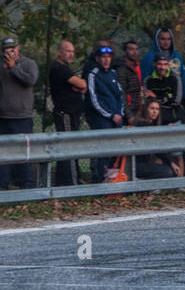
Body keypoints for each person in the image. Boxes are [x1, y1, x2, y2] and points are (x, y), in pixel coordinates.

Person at [0, 38, 40, 190]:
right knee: (2, 155)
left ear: (18, 48)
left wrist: (14, 67)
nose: (10, 52)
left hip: (22, 117)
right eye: (6, 49)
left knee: (24, 154)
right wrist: (4, 68)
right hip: (2, 118)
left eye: (12, 48)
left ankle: (26, 185)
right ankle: (1, 186)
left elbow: (31, 80)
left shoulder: (29, 63)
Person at [84, 44, 124, 183]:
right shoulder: (93, 75)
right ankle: (101, 179)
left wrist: (120, 113)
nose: (106, 60)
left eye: (108, 57)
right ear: (97, 59)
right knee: (104, 152)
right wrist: (110, 115)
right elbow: (94, 99)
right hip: (103, 120)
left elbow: (120, 95)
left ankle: (115, 179)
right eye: (103, 57)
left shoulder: (113, 74)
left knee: (116, 151)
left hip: (117, 119)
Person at [48, 39, 86, 186]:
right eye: (68, 51)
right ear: (59, 52)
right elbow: (82, 84)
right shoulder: (59, 68)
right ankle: (71, 182)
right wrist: (78, 86)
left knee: (71, 147)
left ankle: (64, 181)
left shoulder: (66, 69)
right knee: (68, 147)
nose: (71, 55)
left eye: (72, 52)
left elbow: (80, 86)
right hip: (66, 114)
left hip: (73, 113)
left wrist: (77, 86)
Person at [138, 27, 185, 116]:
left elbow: (184, 78)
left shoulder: (176, 56)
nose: (166, 42)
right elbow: (144, 82)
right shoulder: (149, 57)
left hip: (177, 102)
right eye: (163, 39)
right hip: (156, 105)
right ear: (157, 40)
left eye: (168, 39)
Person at [131, 98, 184, 179]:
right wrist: (171, 163)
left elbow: (159, 150)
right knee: (168, 172)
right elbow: (156, 146)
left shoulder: (153, 125)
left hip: (146, 163)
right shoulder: (142, 124)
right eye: (152, 108)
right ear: (146, 110)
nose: (155, 112)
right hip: (137, 165)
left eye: (157, 109)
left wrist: (170, 163)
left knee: (172, 170)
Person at [144, 52, 185, 123]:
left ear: (169, 65)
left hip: (174, 116)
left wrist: (155, 97)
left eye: (165, 64)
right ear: (154, 64)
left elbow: (176, 101)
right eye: (159, 64)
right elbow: (148, 102)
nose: (162, 67)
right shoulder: (148, 80)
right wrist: (168, 96)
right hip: (156, 118)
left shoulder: (175, 78)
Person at [117, 40, 144, 119]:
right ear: (125, 52)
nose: (135, 52)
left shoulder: (138, 66)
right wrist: (129, 115)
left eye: (136, 49)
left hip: (139, 108)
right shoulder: (121, 69)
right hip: (129, 111)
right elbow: (122, 93)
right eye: (131, 49)